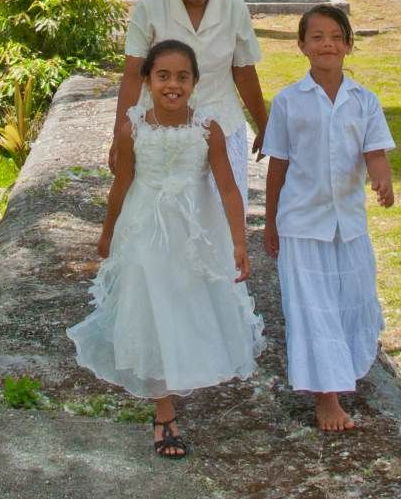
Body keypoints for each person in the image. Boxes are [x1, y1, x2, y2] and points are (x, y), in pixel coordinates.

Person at [69, 40, 264, 458]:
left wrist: (238, 240)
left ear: (194, 82)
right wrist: (106, 234)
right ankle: (164, 410)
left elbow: (228, 189)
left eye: (182, 77)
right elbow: (121, 184)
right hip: (144, 229)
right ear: (147, 81)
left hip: (194, 230)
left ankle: (183, 370)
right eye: (163, 76)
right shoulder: (133, 127)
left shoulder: (207, 129)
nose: (173, 85)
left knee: (187, 304)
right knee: (151, 307)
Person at [261, 4, 395, 432]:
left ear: (350, 46)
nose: (327, 44)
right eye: (317, 37)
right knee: (313, 310)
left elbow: (374, 151)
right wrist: (269, 223)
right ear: (301, 46)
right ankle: (326, 397)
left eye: (337, 36)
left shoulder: (365, 101)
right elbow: (277, 167)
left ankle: (343, 374)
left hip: (349, 224)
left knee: (353, 302)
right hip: (301, 224)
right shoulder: (287, 102)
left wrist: (382, 180)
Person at [112, 0, 268, 207]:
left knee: (224, 215)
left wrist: (264, 125)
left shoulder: (234, 9)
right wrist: (120, 135)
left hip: (224, 125)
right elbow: (133, 75)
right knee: (166, 216)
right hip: (162, 130)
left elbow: (243, 71)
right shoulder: (151, 7)